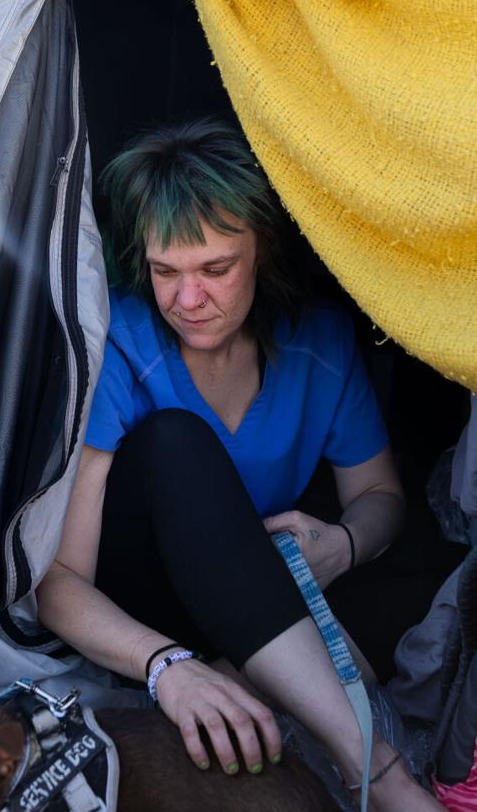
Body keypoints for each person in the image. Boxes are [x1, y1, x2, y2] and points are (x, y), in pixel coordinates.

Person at [37, 120, 444, 811]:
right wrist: (167, 667)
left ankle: (253, 677)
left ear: (264, 254)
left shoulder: (317, 342)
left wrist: (342, 546)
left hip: (259, 597)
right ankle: (378, 773)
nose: (187, 301)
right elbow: (58, 584)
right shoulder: (121, 346)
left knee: (437, 562)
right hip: (151, 610)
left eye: (216, 269)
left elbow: (379, 495)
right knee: (174, 441)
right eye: (165, 272)